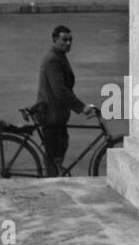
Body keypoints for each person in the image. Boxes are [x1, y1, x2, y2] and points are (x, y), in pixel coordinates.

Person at [35, 25, 98, 177]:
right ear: (55, 40)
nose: (68, 43)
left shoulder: (59, 56)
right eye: (64, 40)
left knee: (59, 148)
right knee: (54, 153)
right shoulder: (53, 61)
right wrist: (82, 107)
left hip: (57, 115)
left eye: (70, 40)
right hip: (51, 115)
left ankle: (53, 177)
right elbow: (60, 91)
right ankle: (51, 184)